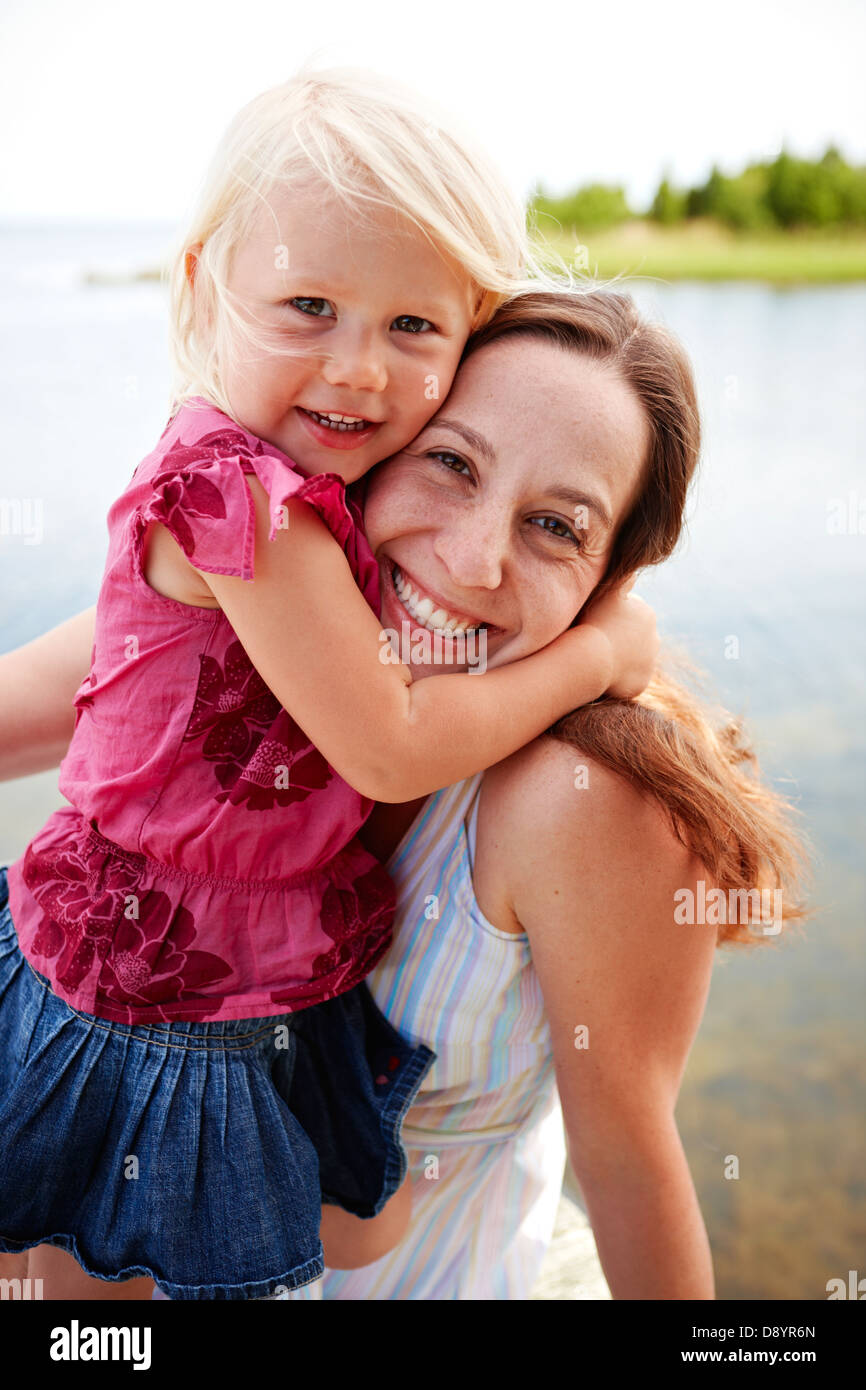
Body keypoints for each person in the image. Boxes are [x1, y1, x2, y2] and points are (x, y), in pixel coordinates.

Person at [0, 290, 808, 1299]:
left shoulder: (574, 800)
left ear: (610, 583)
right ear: (370, 446)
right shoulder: (256, 625)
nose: (470, 559)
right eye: (451, 461)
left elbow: (631, 1176)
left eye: (555, 526)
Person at [0, 70, 659, 1304]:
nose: (358, 373)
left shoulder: (297, 486)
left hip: (237, 965)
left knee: (325, 1224)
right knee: (101, 1266)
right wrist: (598, 654)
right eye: (309, 305)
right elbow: (391, 745)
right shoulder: (238, 494)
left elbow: (95, 678)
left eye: (414, 329)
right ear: (203, 288)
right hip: (155, 978)